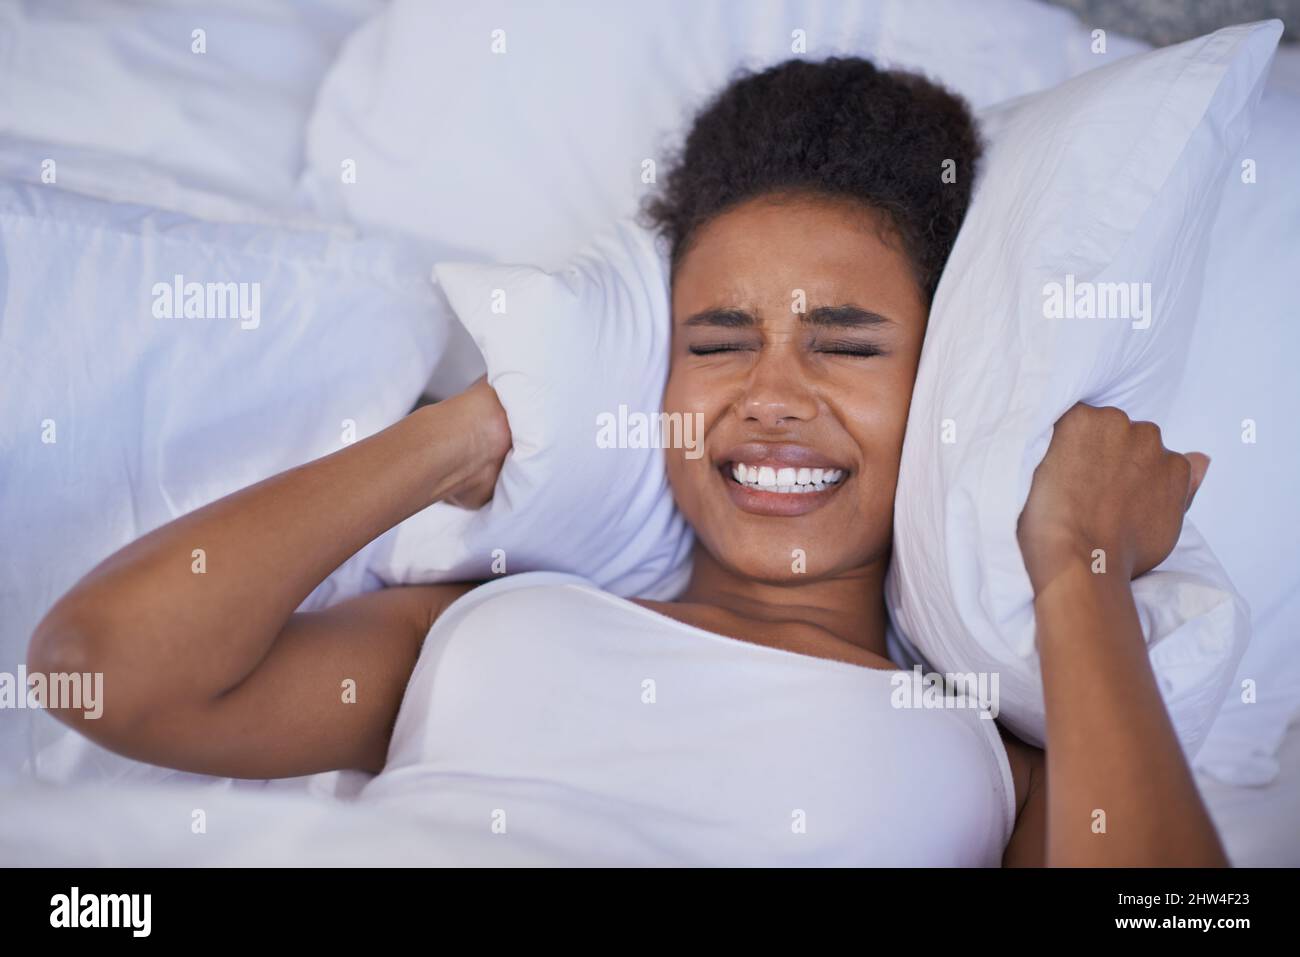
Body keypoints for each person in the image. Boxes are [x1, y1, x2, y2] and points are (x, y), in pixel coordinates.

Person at [28, 57, 1224, 866]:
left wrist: (1078, 564)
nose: (770, 399)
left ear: (948, 381)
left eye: (844, 344)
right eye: (717, 341)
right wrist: (475, 426)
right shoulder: (491, 624)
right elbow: (103, 673)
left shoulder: (992, 762)